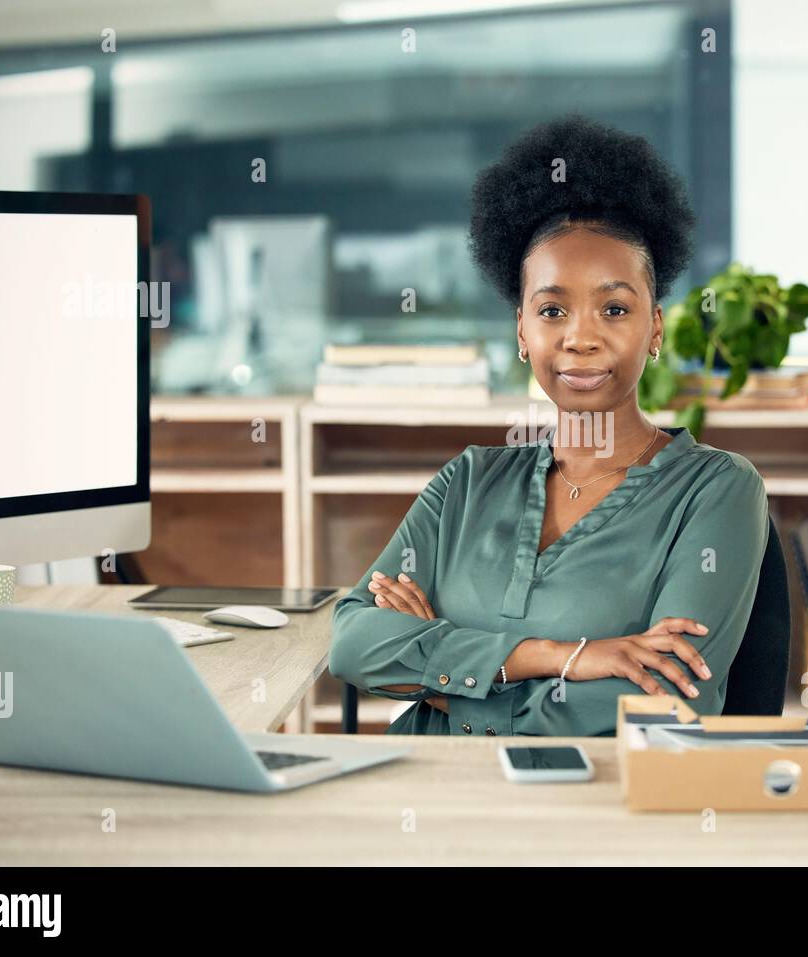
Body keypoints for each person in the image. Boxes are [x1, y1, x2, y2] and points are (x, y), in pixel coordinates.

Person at [329, 113, 774, 735]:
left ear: (655, 329)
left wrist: (445, 675)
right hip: (421, 794)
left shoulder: (716, 490)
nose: (580, 338)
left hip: (583, 810)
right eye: (552, 309)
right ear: (521, 330)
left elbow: (668, 702)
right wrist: (562, 658)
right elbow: (352, 643)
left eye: (614, 308)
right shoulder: (468, 482)